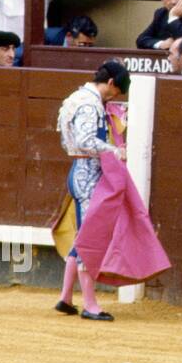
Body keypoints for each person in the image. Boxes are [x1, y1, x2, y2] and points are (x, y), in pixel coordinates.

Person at [53, 61, 131, 322]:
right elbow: (86, 141)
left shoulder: (79, 97)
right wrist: (115, 150)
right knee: (91, 237)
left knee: (82, 236)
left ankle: (66, 298)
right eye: (117, 91)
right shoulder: (89, 103)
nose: (115, 97)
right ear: (110, 83)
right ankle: (90, 304)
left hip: (81, 170)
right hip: (87, 173)